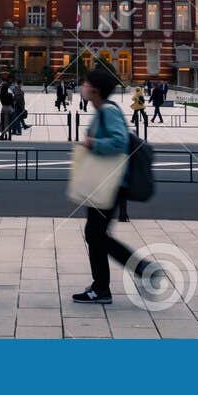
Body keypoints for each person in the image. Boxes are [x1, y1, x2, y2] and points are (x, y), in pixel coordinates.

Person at [71, 66, 158, 304]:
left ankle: (129, 276)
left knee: (96, 234)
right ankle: (106, 285)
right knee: (96, 233)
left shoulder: (107, 111)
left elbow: (119, 142)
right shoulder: (102, 110)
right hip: (104, 181)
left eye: (86, 83)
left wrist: (92, 143)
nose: (83, 86)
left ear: (95, 89)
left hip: (110, 182)